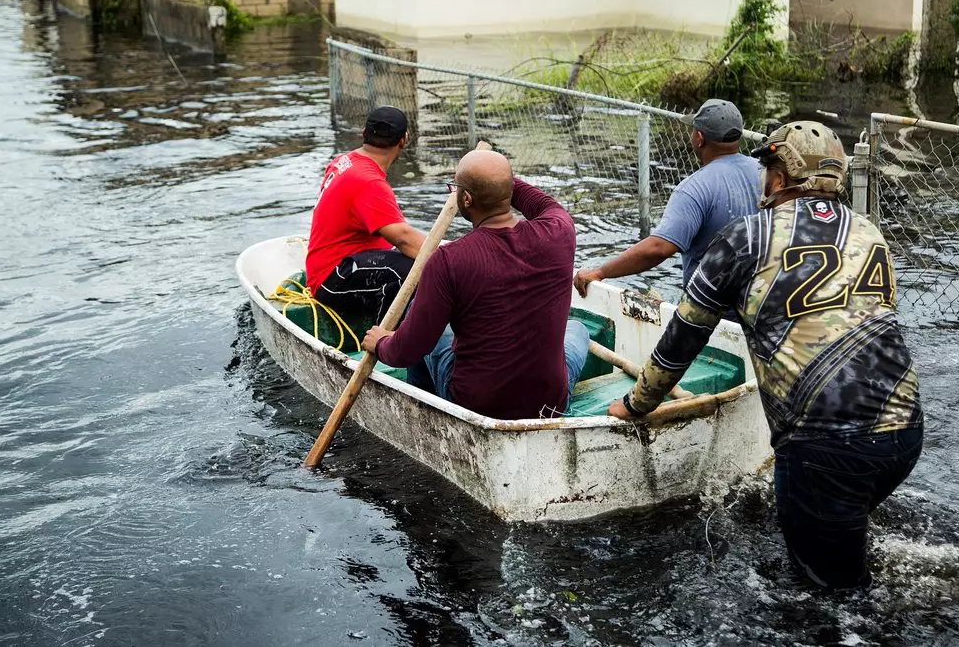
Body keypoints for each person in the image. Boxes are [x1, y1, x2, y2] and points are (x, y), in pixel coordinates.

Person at [608, 121, 924, 590]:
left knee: (827, 598)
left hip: (824, 445)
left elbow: (684, 336)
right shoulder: (867, 231)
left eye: (767, 169)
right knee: (843, 545)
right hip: (904, 430)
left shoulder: (746, 237)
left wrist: (636, 405)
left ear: (779, 176)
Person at [361, 149, 590, 420]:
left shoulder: (448, 260)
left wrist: (382, 344)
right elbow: (540, 203)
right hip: (550, 400)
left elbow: (407, 351)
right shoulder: (559, 230)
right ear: (508, 191)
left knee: (415, 313)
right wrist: (497, 181)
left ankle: (423, 408)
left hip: (475, 403)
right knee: (578, 329)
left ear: (466, 198)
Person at [574, 98, 760, 297]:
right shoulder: (767, 172)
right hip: (761, 304)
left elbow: (658, 248)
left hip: (711, 312)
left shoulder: (694, 188)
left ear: (699, 138)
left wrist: (600, 272)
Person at [305, 106, 427, 325]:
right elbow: (403, 238)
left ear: (364, 133)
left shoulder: (346, 160)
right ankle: (386, 342)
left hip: (330, 264)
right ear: (403, 140)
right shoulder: (369, 182)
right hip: (331, 278)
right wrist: (455, 263)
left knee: (425, 253)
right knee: (410, 271)